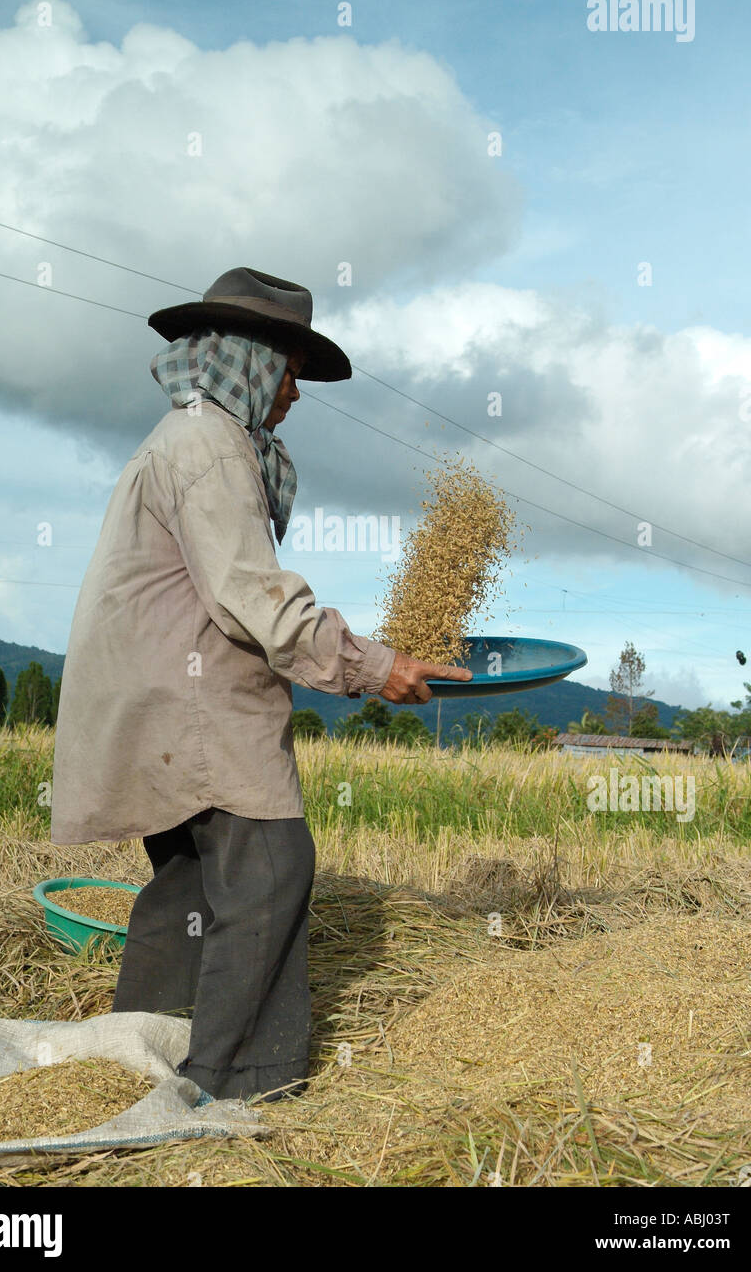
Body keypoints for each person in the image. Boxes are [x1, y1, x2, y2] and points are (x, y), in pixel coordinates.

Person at [50, 266, 471, 1104]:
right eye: (289, 371)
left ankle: (135, 1052)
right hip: (194, 708)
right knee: (272, 872)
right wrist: (377, 667)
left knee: (190, 890)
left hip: (165, 701)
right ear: (247, 359)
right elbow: (250, 595)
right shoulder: (210, 447)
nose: (297, 393)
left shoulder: (198, 439)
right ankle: (230, 1084)